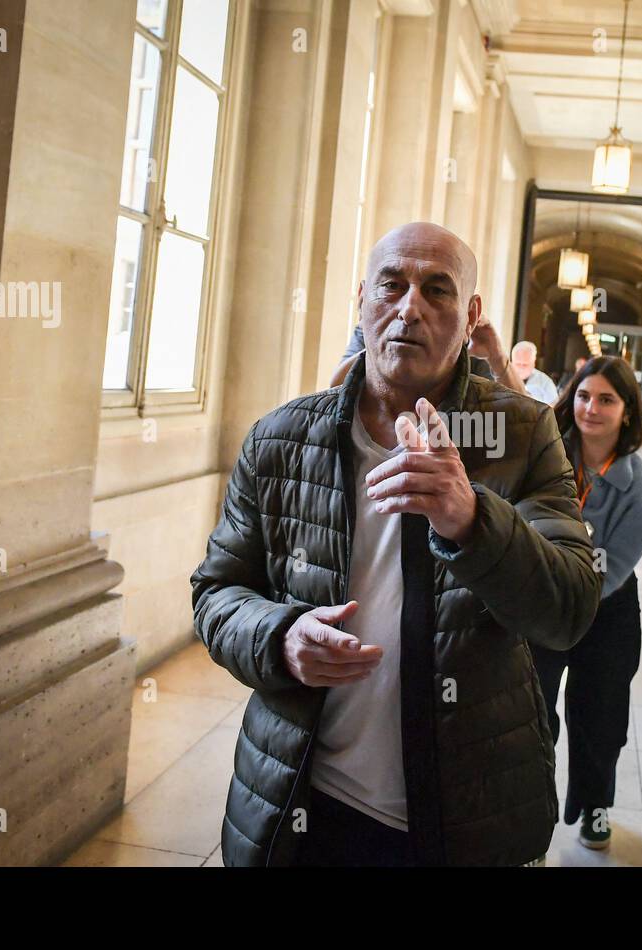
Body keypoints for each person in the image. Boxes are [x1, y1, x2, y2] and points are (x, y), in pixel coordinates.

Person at [192, 221, 602, 867]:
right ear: (362, 298)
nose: (410, 306)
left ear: (469, 319)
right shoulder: (280, 439)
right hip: (302, 799)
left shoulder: (519, 433)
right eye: (392, 284)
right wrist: (281, 637)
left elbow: (569, 610)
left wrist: (471, 519)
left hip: (461, 813)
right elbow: (216, 592)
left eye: (437, 291)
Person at [531, 356, 642, 850]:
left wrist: (556, 584)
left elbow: (613, 569)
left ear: (627, 411)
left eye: (607, 399)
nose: (592, 408)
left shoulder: (640, 487)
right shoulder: (549, 457)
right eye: (584, 396)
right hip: (543, 605)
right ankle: (533, 812)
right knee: (535, 712)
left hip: (607, 611)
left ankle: (595, 806)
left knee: (600, 719)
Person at [329, 303, 527, 395]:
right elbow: (336, 388)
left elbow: (522, 416)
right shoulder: (372, 331)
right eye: (394, 286)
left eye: (436, 292)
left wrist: (497, 357)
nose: (410, 310)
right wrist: (385, 344)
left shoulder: (467, 344)